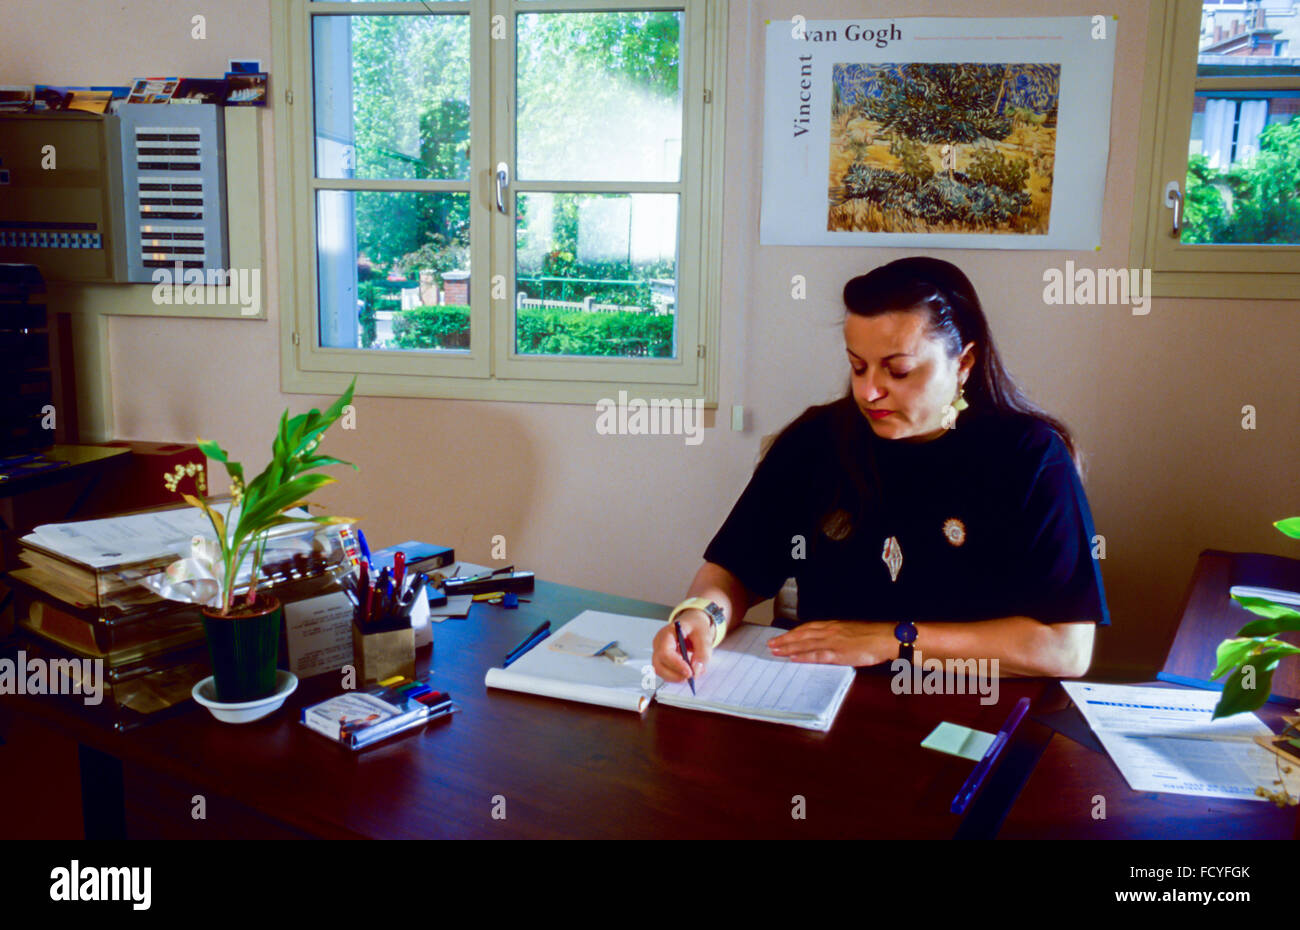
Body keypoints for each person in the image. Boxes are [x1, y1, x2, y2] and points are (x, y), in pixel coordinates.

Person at [652, 257, 1109, 684]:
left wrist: (893, 640)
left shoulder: (1028, 456)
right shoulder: (816, 440)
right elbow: (732, 572)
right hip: (816, 694)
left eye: (899, 371)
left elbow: (1065, 648)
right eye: (858, 367)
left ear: (964, 363)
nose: (869, 392)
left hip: (967, 703)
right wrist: (700, 617)